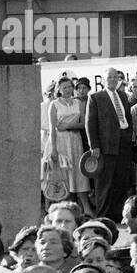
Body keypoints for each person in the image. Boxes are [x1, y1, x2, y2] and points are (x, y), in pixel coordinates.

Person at [85, 68, 137, 221]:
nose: (113, 80)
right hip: (106, 145)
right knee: (105, 183)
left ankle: (116, 214)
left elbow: (128, 118)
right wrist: (94, 146)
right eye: (110, 77)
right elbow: (90, 123)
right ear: (103, 79)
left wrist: (129, 134)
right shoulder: (95, 97)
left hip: (124, 143)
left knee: (121, 181)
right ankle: (103, 216)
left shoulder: (122, 95)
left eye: (115, 77)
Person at [48, 76, 91, 212]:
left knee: (79, 174)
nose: (68, 90)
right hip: (61, 142)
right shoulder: (54, 104)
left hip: (75, 140)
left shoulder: (78, 103)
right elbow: (52, 128)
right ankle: (64, 210)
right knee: (64, 174)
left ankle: (87, 208)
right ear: (59, 90)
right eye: (64, 87)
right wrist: (54, 149)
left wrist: (69, 125)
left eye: (70, 87)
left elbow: (84, 124)